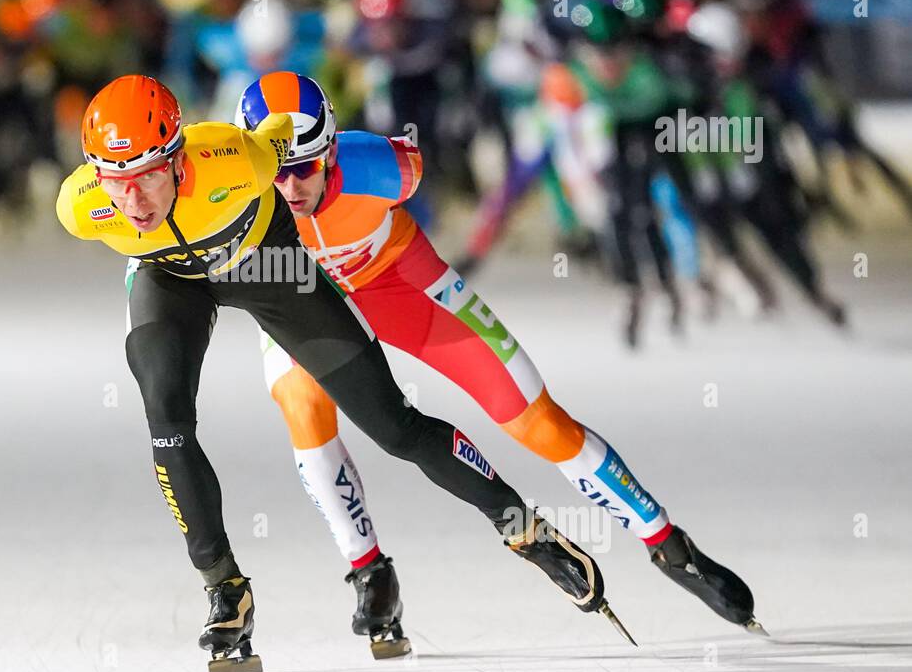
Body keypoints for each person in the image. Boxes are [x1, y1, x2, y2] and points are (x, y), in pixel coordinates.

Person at [56, 74, 632, 672]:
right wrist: (124, 202)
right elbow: (117, 205)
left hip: (267, 265)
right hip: (169, 280)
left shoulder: (238, 158)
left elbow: (295, 136)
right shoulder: (80, 205)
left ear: (177, 158)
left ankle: (522, 527)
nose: (134, 202)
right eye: (116, 183)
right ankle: (224, 589)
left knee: (394, 428)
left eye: (147, 175)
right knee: (167, 421)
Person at [236, 71, 763, 636]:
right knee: (303, 410)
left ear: (332, 151)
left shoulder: (383, 168)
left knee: (537, 422)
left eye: (306, 169)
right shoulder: (233, 190)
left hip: (399, 283)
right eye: (277, 172)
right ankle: (369, 572)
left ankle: (667, 544)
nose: (291, 187)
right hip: (305, 300)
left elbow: (451, 175)